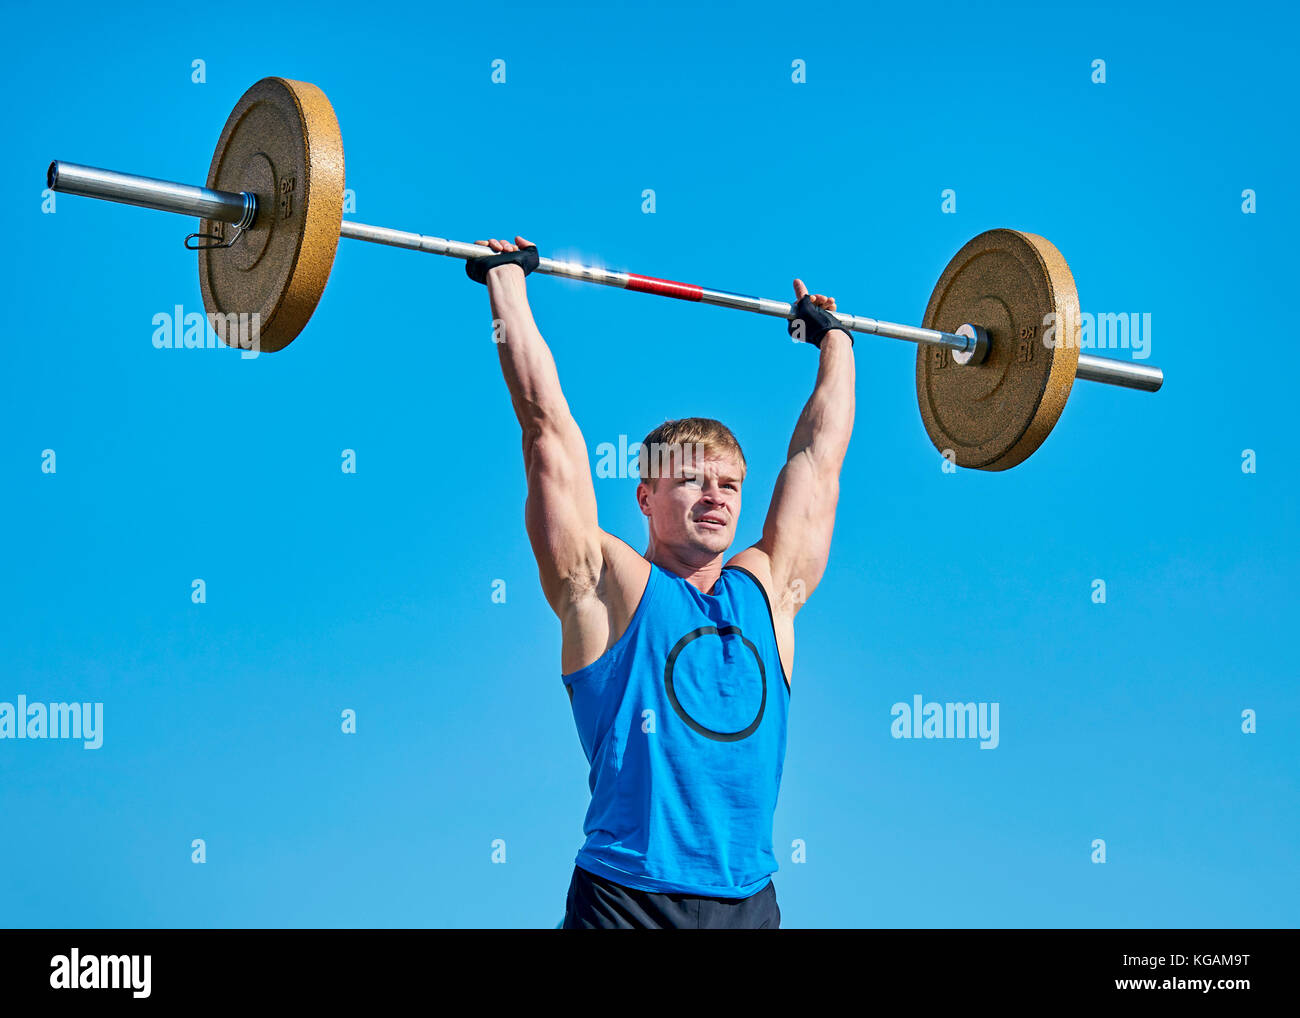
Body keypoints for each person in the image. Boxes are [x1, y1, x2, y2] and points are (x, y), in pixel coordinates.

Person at [467, 236, 855, 928]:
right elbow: (546, 431)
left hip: (748, 900)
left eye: (729, 484)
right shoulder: (610, 587)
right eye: (691, 480)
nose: (715, 496)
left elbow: (818, 460)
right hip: (626, 896)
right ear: (645, 496)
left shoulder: (767, 591)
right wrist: (508, 286)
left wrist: (835, 342)